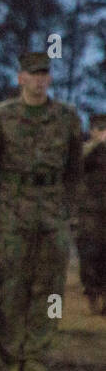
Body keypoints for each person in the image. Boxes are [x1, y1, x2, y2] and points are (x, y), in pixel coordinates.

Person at [0, 50, 83, 371]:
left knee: (51, 289)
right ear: (20, 78)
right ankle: (11, 359)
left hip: (52, 213)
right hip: (13, 211)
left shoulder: (68, 117)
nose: (39, 80)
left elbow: (74, 170)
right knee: (12, 286)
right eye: (32, 74)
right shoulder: (0, 117)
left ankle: (37, 356)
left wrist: (70, 212)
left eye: (44, 74)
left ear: (50, 78)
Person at [79, 114, 106, 314]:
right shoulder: (87, 150)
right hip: (91, 212)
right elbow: (76, 165)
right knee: (90, 253)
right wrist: (96, 145)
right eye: (97, 128)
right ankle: (92, 293)